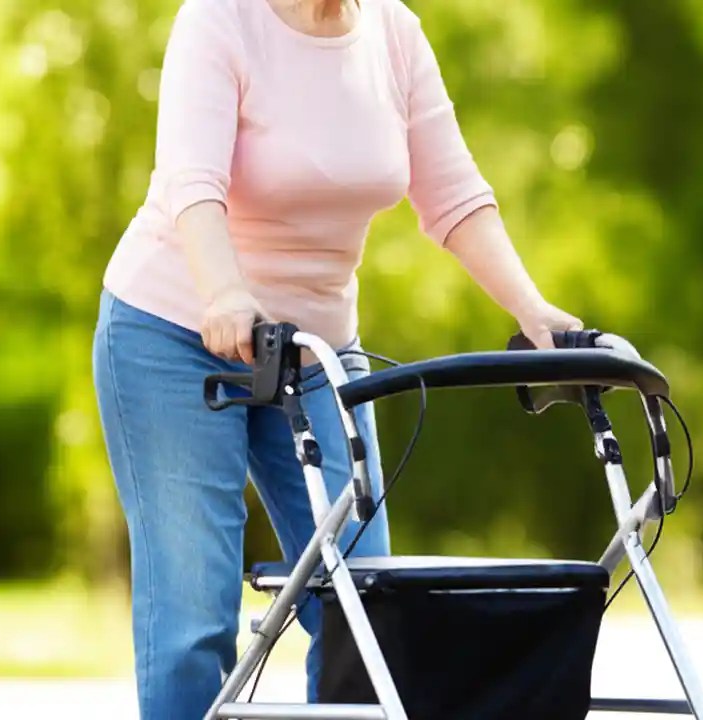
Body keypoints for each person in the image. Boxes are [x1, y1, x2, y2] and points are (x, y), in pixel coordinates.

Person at [92, 0, 582, 717]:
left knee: (364, 602)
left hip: (316, 353)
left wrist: (532, 310)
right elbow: (191, 185)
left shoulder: (394, 33)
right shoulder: (221, 18)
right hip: (175, 335)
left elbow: (453, 194)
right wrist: (225, 291)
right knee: (193, 620)